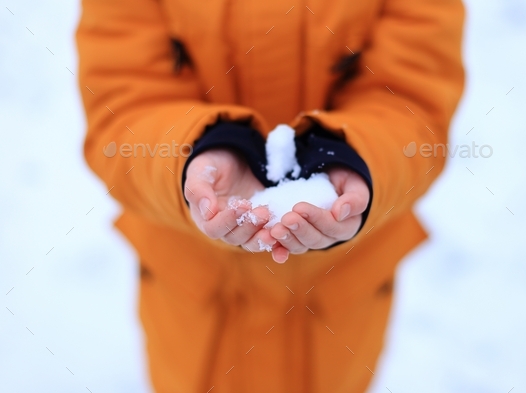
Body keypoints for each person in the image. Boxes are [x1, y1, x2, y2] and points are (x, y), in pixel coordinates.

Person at [77, 0, 464, 391]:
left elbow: (414, 104)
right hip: (192, 288)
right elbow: (121, 110)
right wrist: (197, 149)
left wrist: (351, 155)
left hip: (340, 295)